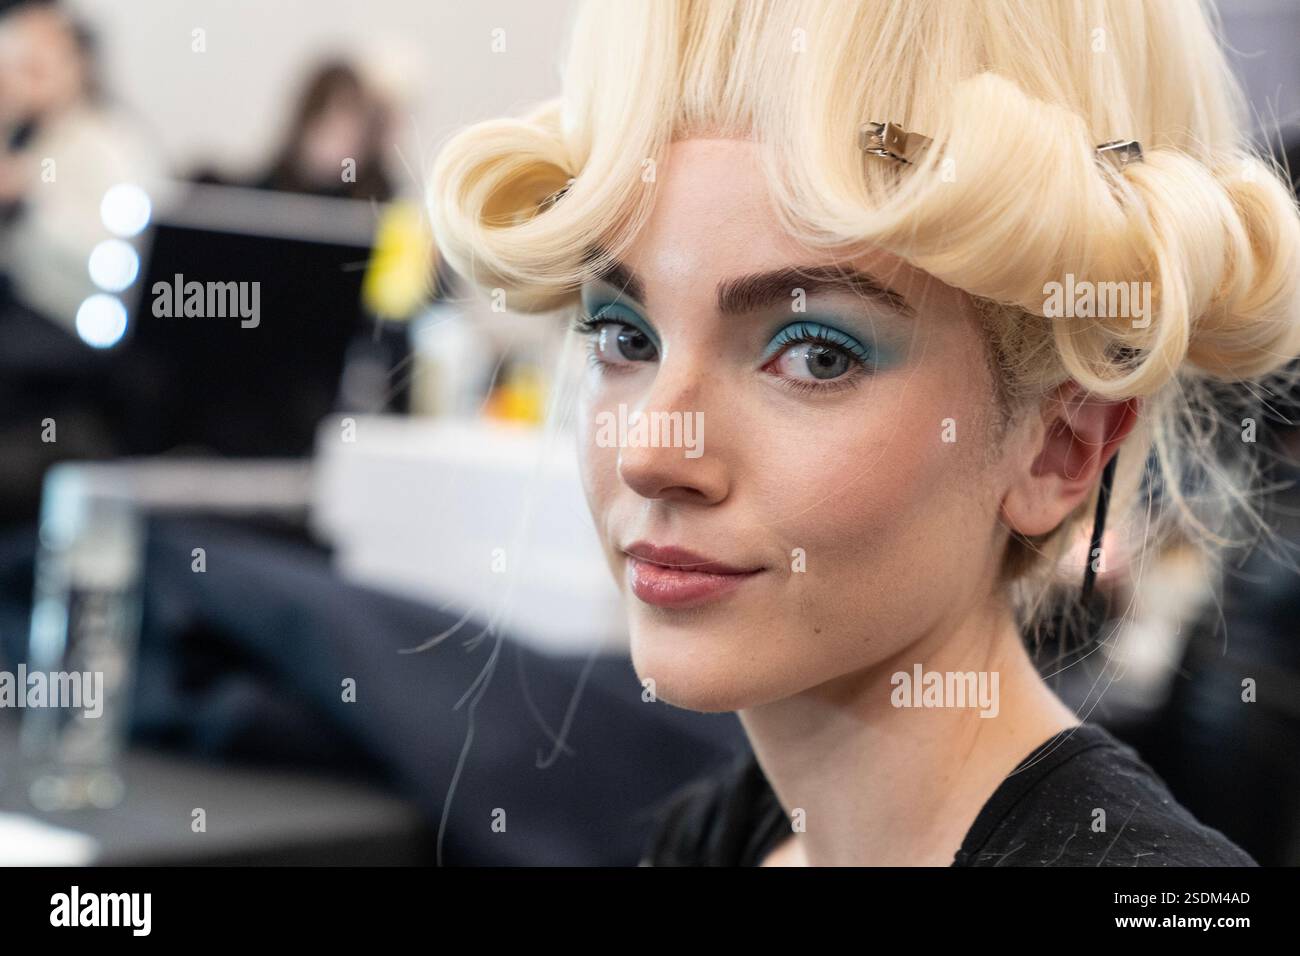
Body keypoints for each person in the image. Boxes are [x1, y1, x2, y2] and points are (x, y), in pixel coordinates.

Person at [425, 0, 1300, 865]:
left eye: (814, 354)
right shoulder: (715, 837)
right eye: (624, 337)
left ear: (1059, 444)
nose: (653, 454)